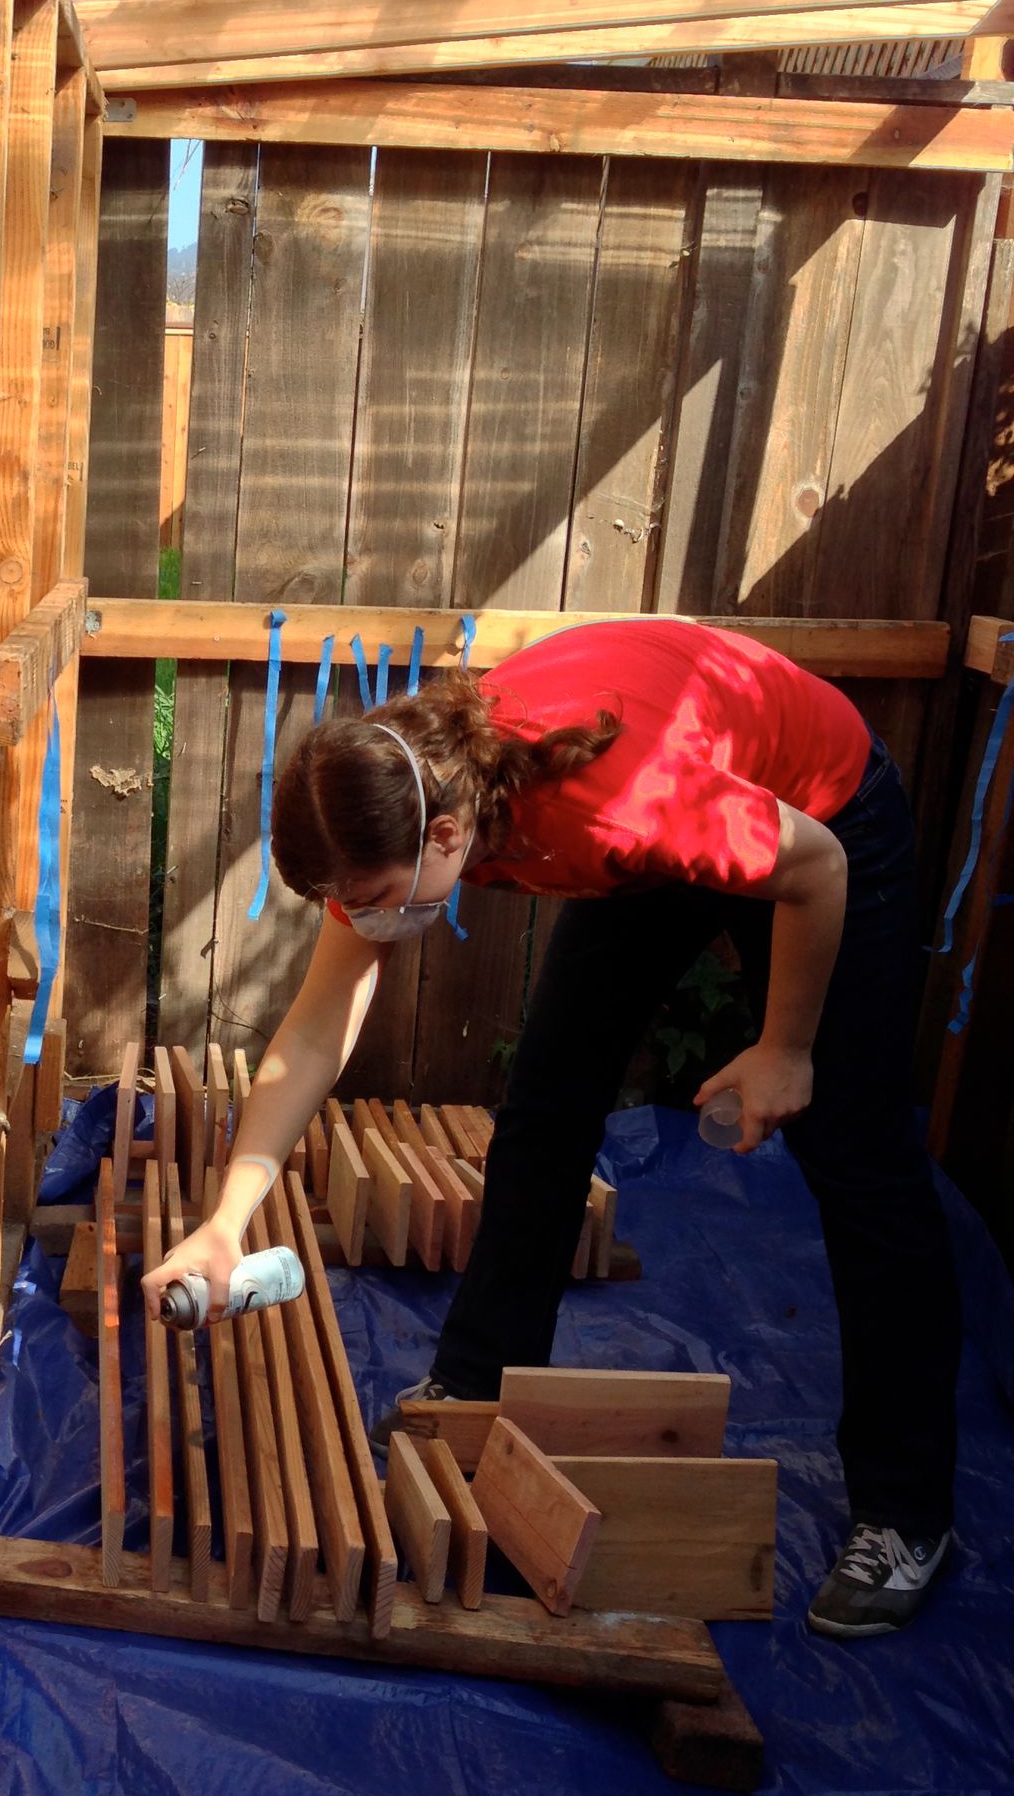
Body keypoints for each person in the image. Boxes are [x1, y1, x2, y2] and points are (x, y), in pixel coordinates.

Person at [140, 619, 961, 1639]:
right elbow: (311, 1036)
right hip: (693, 791)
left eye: (381, 901)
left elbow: (817, 868)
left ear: (444, 836)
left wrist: (787, 1047)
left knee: (859, 1156)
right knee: (546, 1104)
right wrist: (228, 1218)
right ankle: (477, 1381)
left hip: (823, 817)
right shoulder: (410, 805)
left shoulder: (616, 810)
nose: (371, 922)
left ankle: (907, 1510)